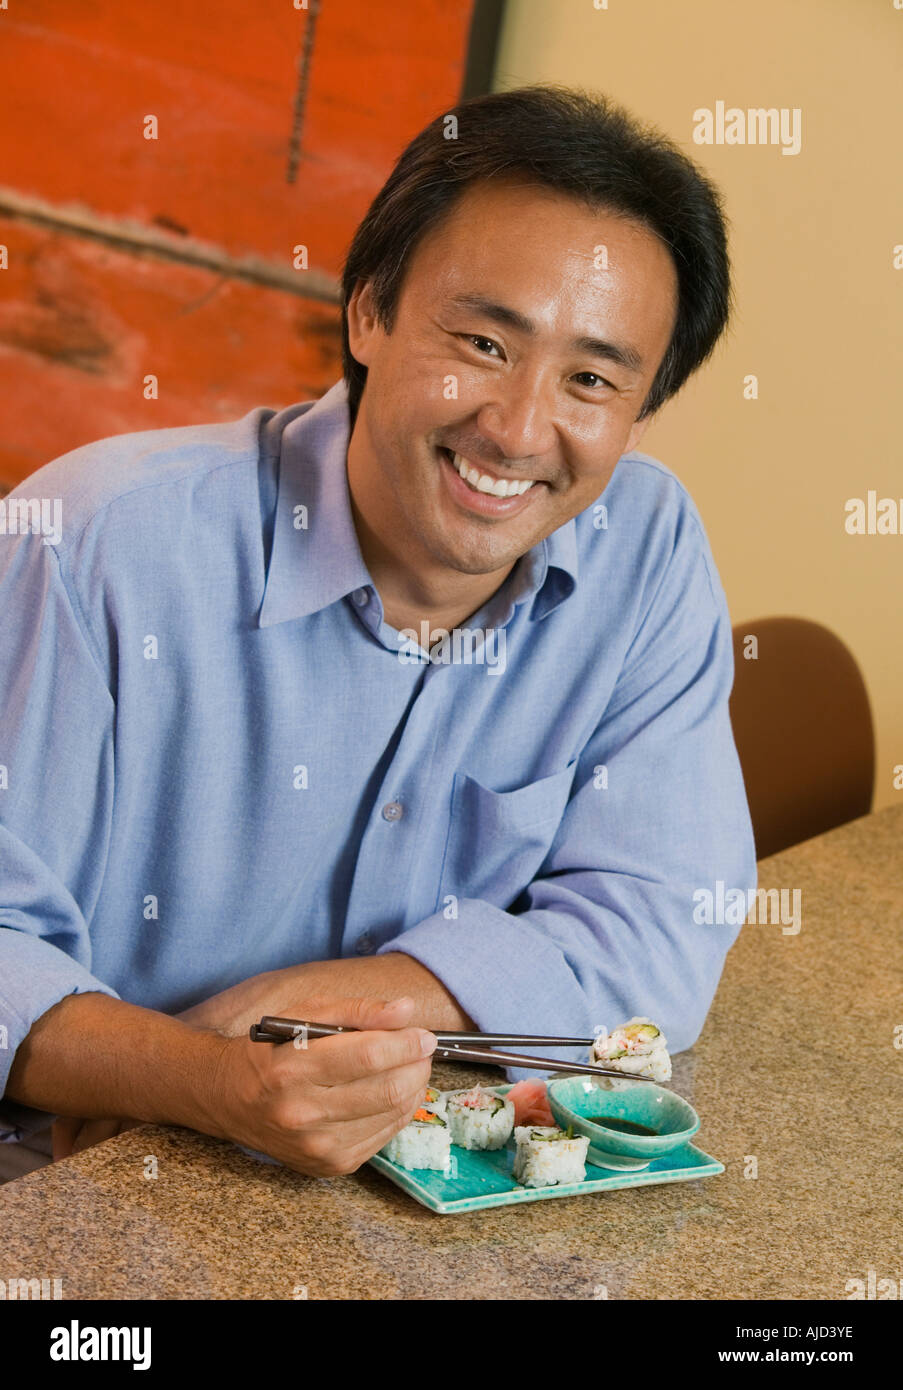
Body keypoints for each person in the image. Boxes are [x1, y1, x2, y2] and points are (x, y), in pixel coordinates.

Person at [0, 85, 756, 1182]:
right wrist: (193, 1078)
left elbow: (664, 927)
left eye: (591, 379)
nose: (519, 428)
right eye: (485, 342)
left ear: (638, 410)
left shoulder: (646, 549)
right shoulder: (90, 548)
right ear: (367, 313)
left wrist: (302, 1010)